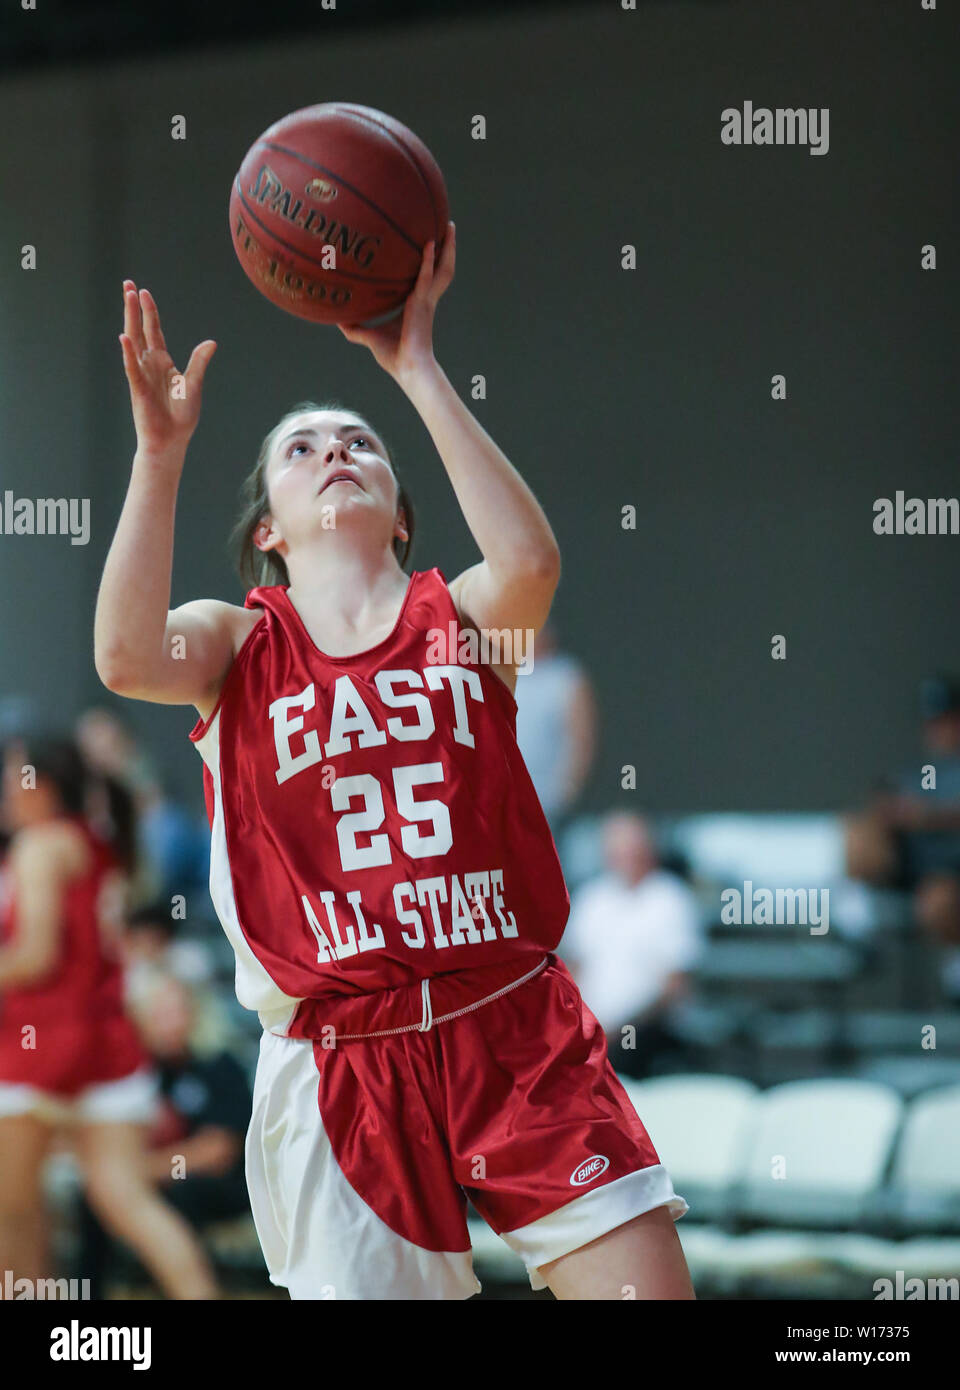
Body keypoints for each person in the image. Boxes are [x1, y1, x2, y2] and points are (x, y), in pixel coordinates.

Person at [94, 236, 693, 1301]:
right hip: (343, 1059)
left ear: (402, 510)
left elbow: (532, 564)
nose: (335, 449)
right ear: (270, 530)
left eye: (359, 441)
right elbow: (126, 655)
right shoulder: (238, 642)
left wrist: (413, 368)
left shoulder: (462, 616)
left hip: (512, 1021)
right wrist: (158, 453)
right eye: (301, 447)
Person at [0, 732, 219, 1298]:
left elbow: (35, 955)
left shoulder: (40, 845)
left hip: (40, 1043)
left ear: (41, 786)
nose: (7, 789)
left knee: (13, 1212)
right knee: (126, 1200)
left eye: (14, 777)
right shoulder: (96, 841)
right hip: (108, 1040)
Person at [76, 972, 251, 1298]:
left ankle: (186, 1288)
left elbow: (216, 1152)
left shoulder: (219, 1066)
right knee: (94, 1196)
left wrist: (133, 1173)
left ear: (194, 1014)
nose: (168, 1023)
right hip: (151, 1176)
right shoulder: (139, 1075)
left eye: (176, 1012)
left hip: (219, 1184)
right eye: (159, 1014)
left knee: (179, 1193)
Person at [560, 813, 704, 1079]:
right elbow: (575, 969)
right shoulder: (592, 897)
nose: (624, 856)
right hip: (595, 1028)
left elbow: (674, 987)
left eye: (631, 847)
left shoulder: (671, 898)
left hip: (649, 1031)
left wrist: (618, 1028)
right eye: (617, 848)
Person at [845, 674, 960, 999]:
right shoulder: (921, 772)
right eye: (933, 721)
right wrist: (890, 812)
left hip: (949, 877)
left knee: (937, 900)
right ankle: (856, 921)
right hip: (906, 868)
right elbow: (887, 807)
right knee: (857, 829)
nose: (940, 729)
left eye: (948, 719)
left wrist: (928, 816)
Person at [513, 620, 598, 841]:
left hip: (547, 798)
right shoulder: (503, 671)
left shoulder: (565, 676)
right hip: (506, 796)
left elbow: (581, 738)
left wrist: (566, 789)